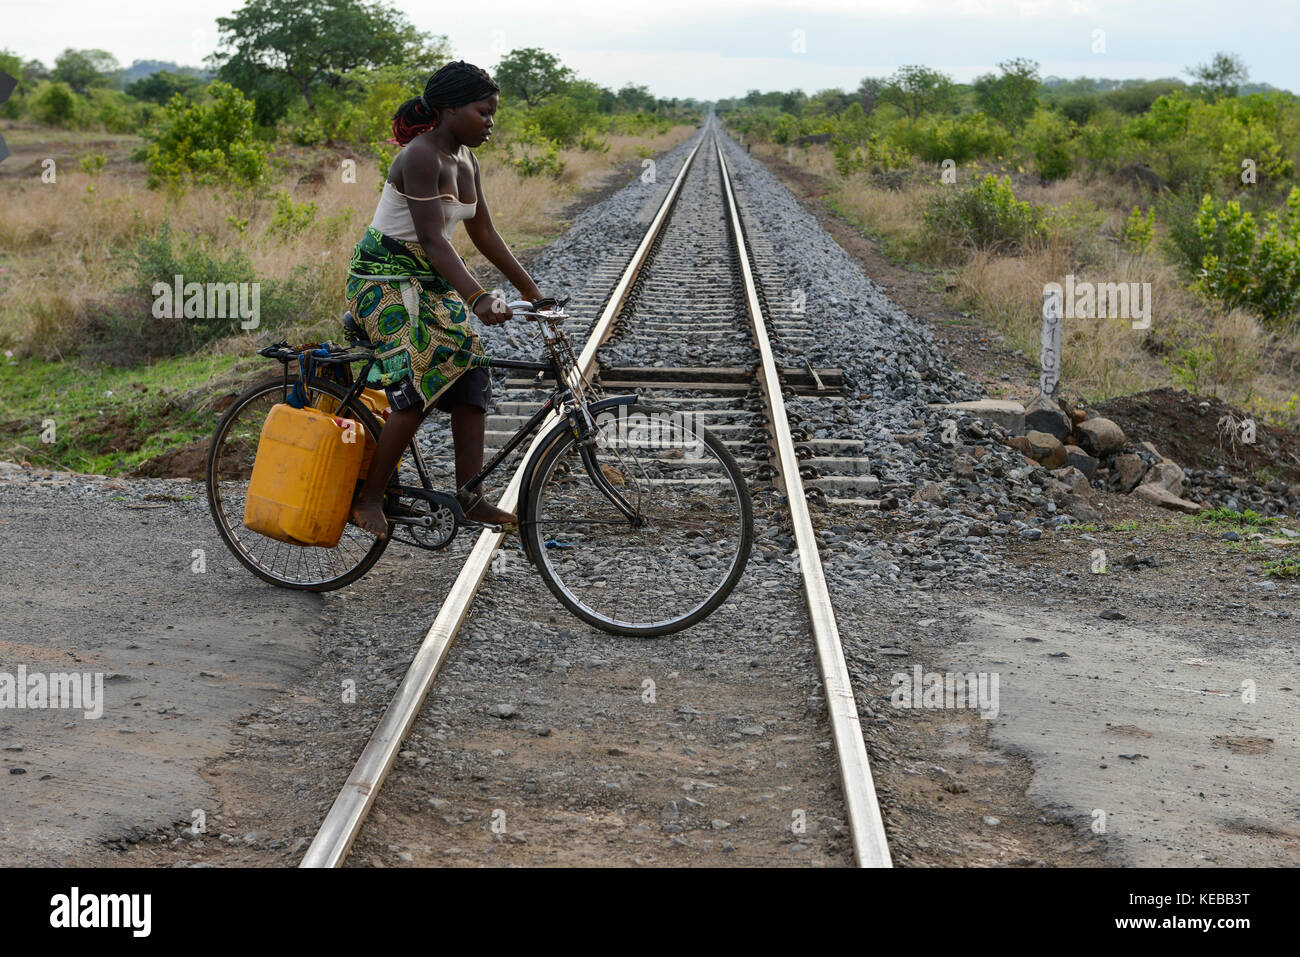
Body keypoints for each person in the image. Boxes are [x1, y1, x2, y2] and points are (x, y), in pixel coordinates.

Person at [345, 61, 544, 539]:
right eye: (484, 111)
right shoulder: (420, 156)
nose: (491, 121)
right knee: (422, 369)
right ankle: (370, 498)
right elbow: (435, 241)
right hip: (383, 279)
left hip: (427, 282)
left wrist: (531, 291)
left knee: (472, 370)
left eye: (493, 112)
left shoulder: (466, 160)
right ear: (450, 109)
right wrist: (476, 297)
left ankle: (470, 497)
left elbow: (483, 231)